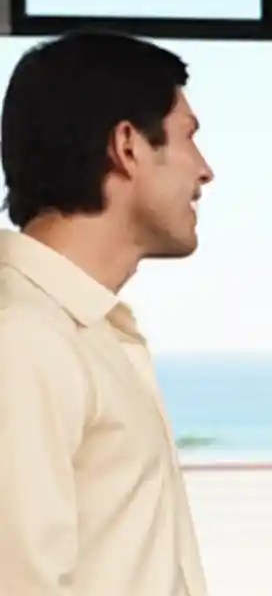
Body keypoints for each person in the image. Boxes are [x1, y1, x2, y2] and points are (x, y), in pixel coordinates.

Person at [0, 30, 214, 595]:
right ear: (127, 146)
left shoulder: (86, 327)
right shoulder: (22, 335)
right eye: (188, 138)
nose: (205, 171)